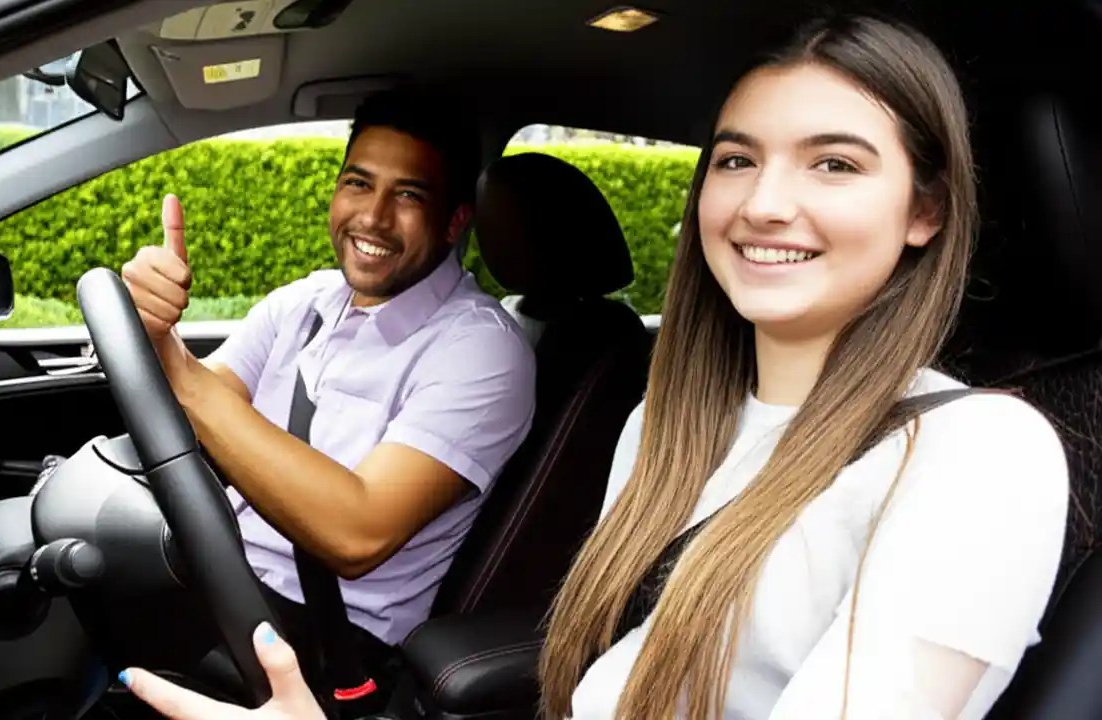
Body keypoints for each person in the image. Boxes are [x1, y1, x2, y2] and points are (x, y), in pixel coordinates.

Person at [114, 13, 1069, 720]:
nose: (768, 203)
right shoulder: (667, 429)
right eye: (736, 161)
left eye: (835, 165)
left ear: (925, 212)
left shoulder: (975, 457)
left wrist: (182, 377)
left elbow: (355, 530)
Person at [120, 88, 537, 690]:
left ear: (454, 222)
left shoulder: (482, 349)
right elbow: (200, 409)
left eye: (409, 195)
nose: (372, 217)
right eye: (359, 184)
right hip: (219, 572)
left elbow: (357, 531)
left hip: (325, 643)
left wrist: (180, 373)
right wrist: (155, 332)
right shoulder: (304, 302)